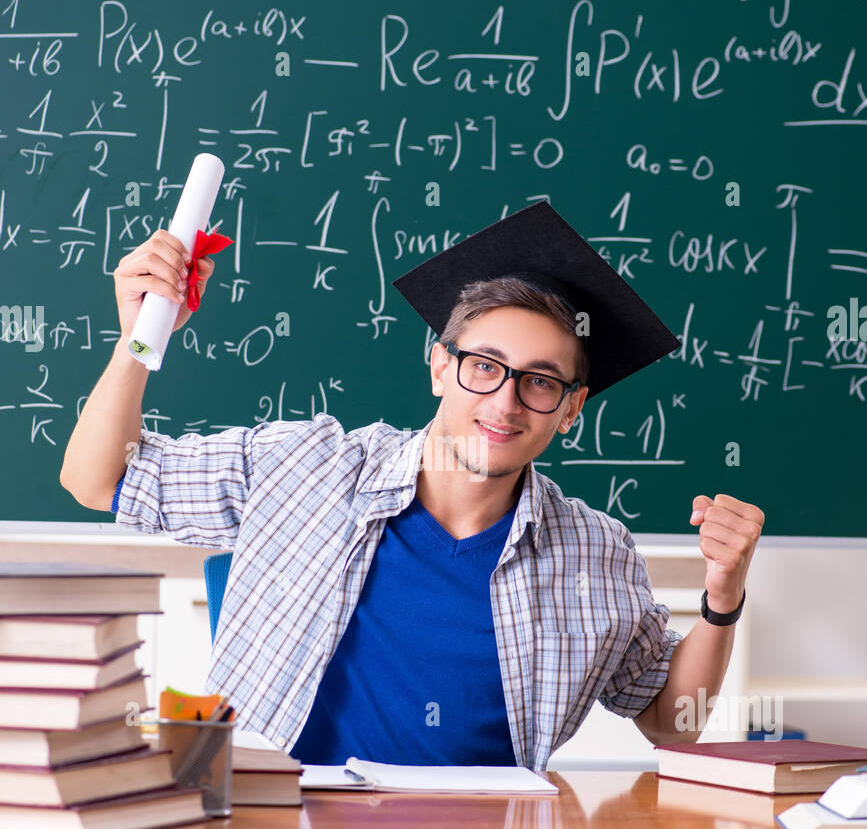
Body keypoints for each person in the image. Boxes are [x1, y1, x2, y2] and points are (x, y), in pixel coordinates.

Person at [60, 202, 764, 769]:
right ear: (437, 365)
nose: (505, 401)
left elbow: (670, 728)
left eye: (541, 381)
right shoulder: (306, 468)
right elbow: (97, 480)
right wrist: (137, 341)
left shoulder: (595, 553)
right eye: (483, 365)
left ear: (572, 407)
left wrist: (722, 597)